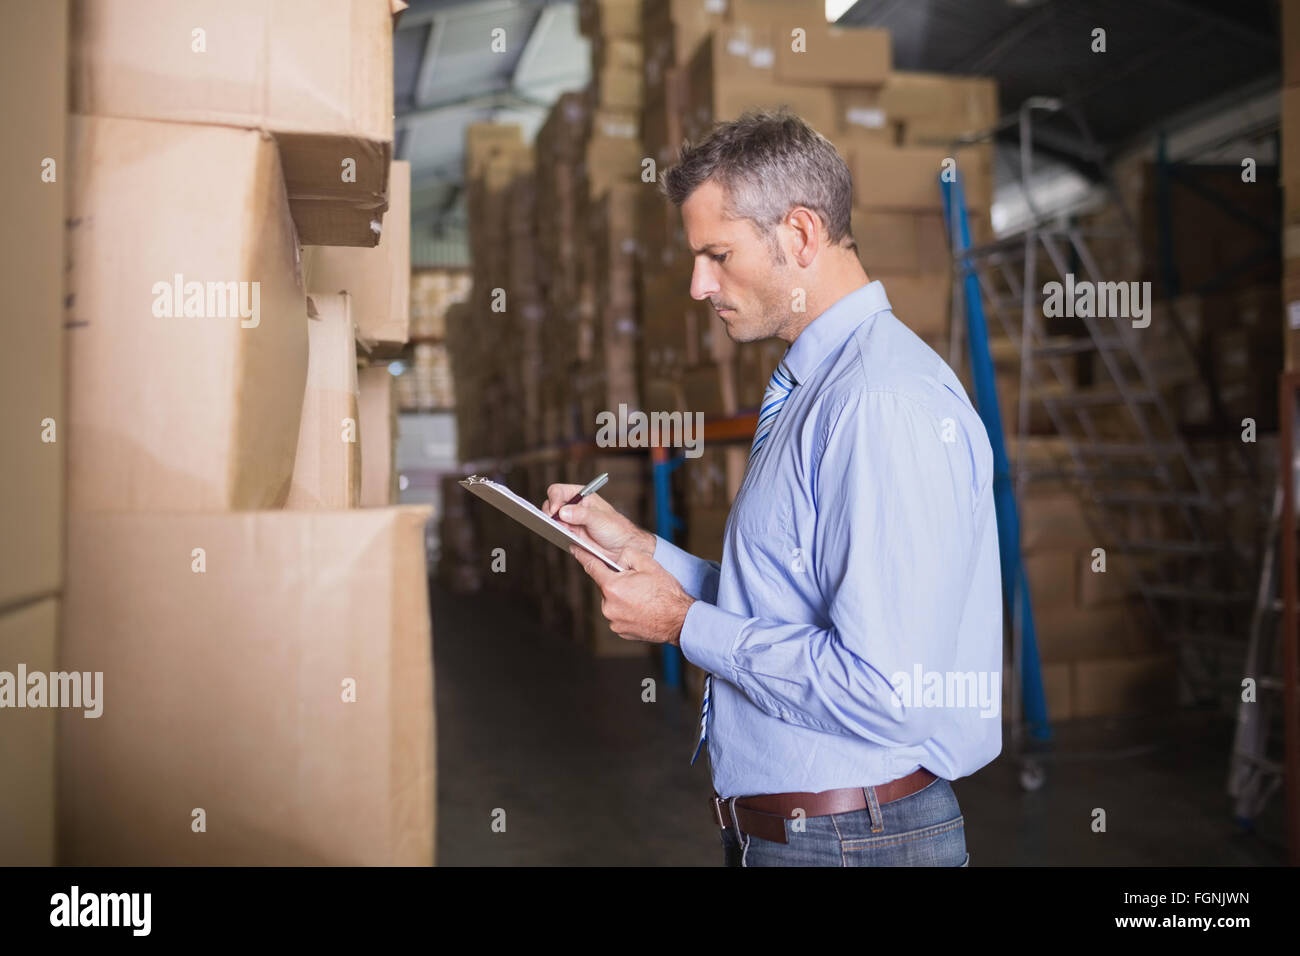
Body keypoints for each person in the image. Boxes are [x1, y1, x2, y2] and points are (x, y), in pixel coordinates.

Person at [543, 109, 1002, 867]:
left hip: (854, 843)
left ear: (798, 235)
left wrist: (684, 623)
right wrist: (646, 551)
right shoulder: (813, 387)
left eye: (717, 255)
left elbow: (886, 687)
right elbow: (795, 601)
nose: (698, 286)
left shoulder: (877, 403)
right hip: (811, 837)